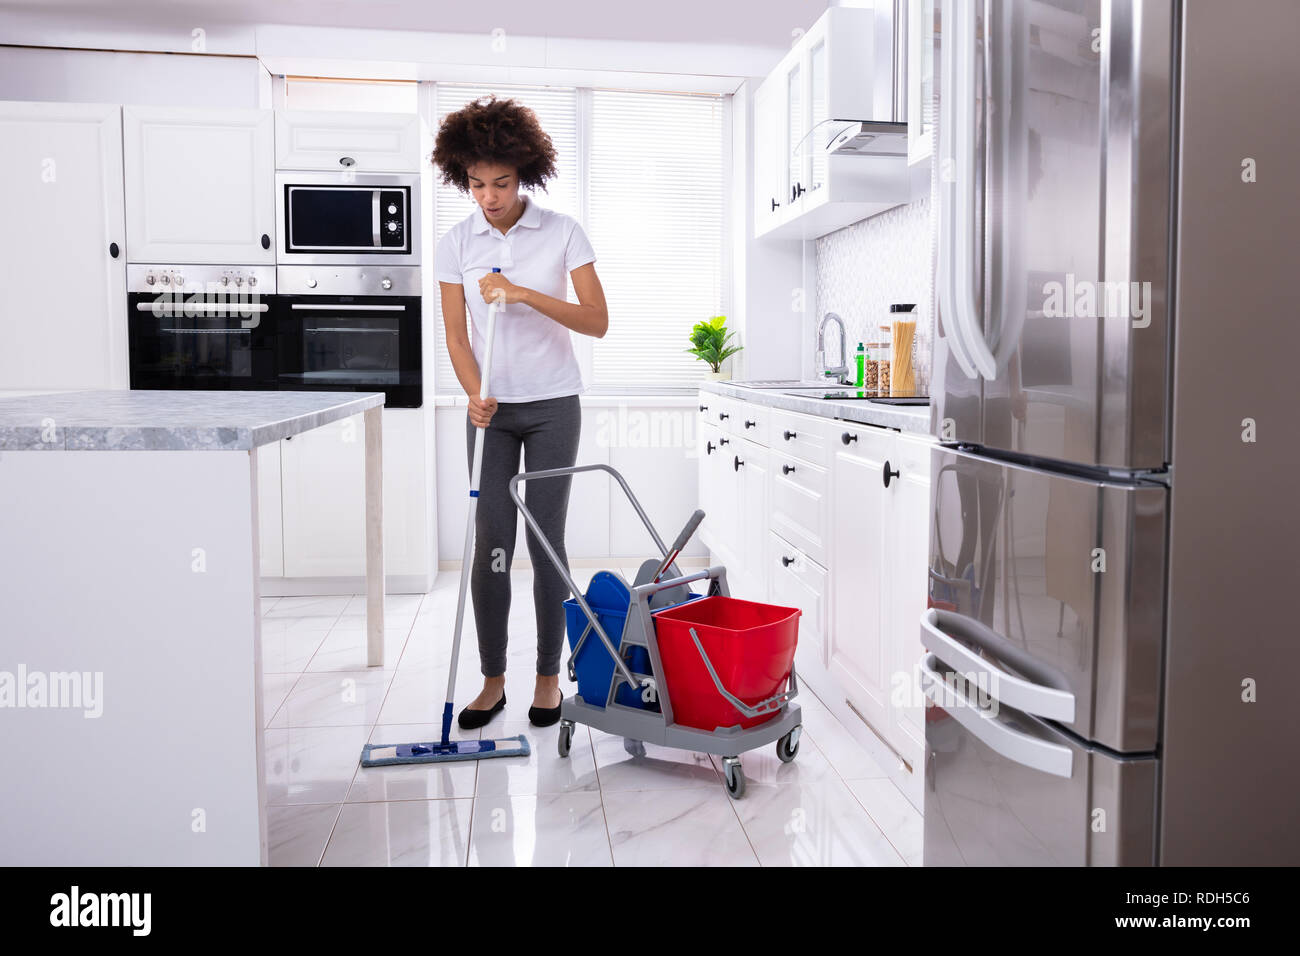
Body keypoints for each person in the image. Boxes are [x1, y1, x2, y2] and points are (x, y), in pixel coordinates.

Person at [432, 95, 609, 729]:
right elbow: (456, 336)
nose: (489, 197)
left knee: (545, 543)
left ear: (523, 173)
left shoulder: (562, 232)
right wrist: (474, 391)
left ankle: (545, 679)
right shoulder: (457, 242)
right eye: (477, 184)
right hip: (491, 412)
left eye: (501, 183)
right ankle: (491, 680)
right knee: (492, 548)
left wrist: (523, 293)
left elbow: (598, 322)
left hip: (554, 405)